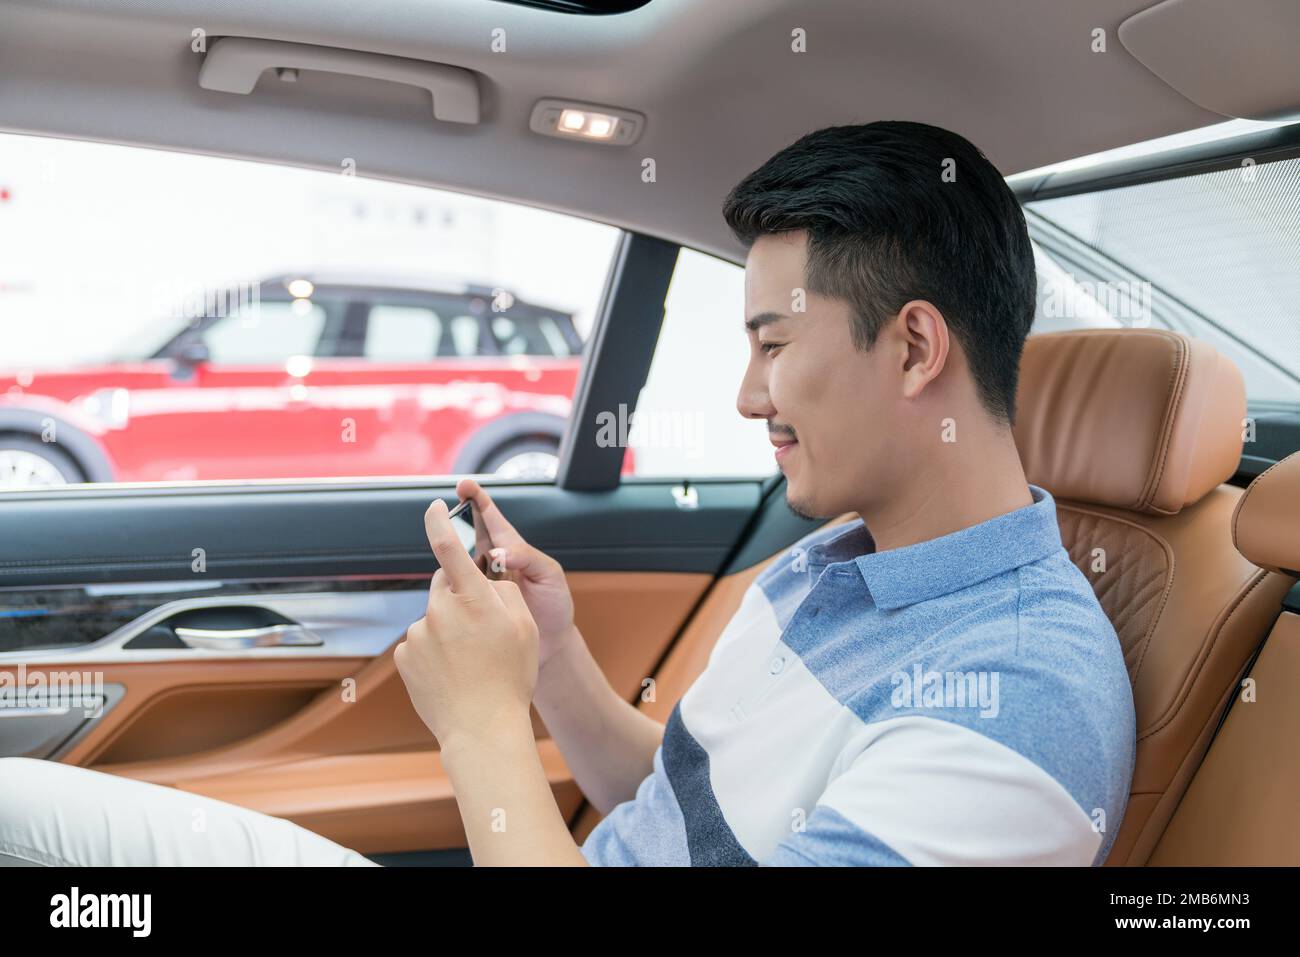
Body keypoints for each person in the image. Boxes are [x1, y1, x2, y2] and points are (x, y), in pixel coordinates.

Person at [0, 121, 1135, 867]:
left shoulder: (1016, 706)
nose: (750, 396)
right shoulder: (835, 561)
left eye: (773, 346)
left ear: (915, 348)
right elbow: (683, 794)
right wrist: (549, 659)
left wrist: (480, 723)